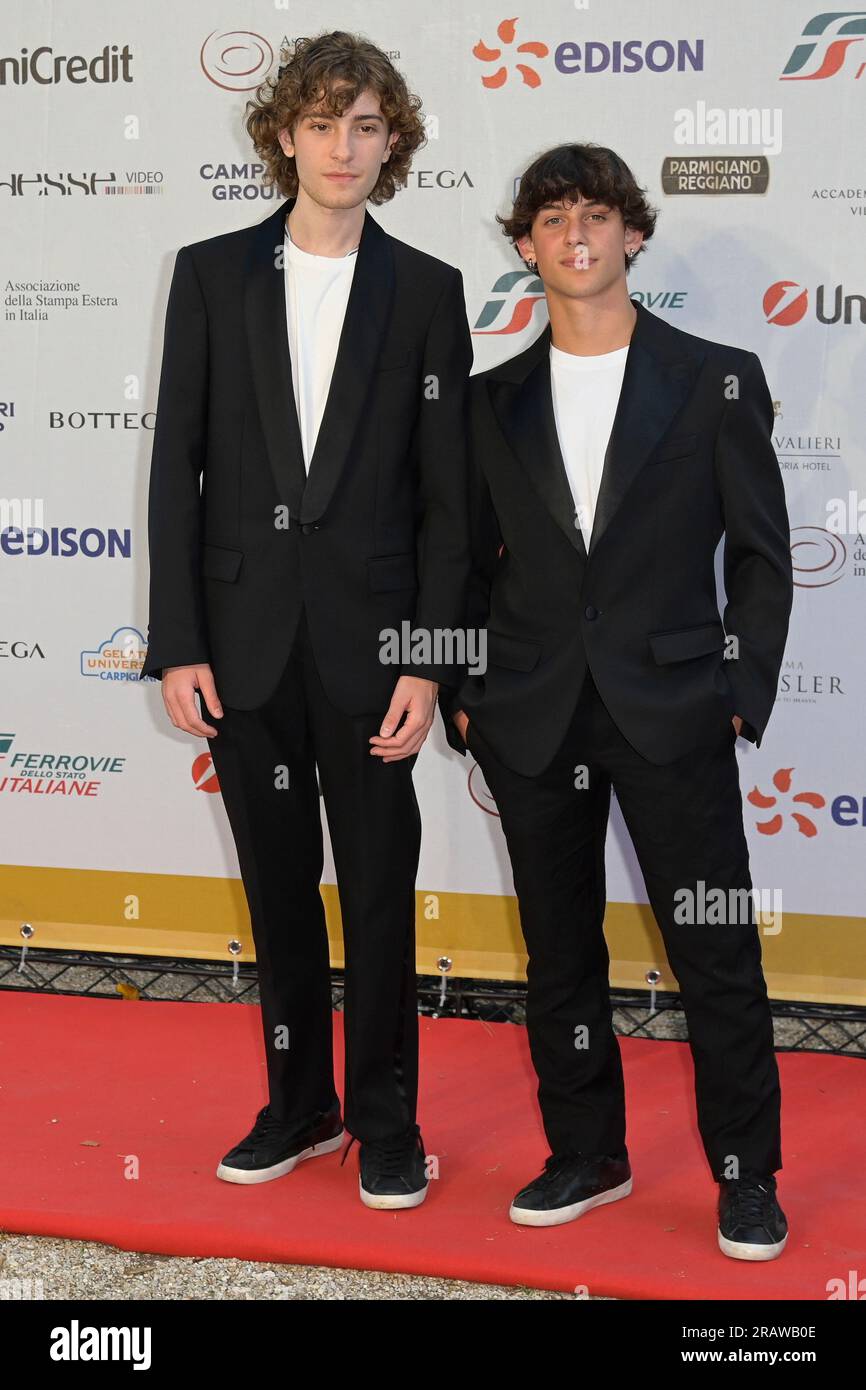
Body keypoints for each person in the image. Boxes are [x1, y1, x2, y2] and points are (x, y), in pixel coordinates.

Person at [140, 31, 472, 1210]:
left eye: (368, 124)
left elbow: (449, 500)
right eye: (324, 121)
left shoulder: (427, 290)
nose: (345, 145)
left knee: (379, 890)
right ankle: (298, 1104)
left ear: (394, 144)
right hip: (240, 645)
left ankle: (385, 1117)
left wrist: (430, 663)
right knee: (277, 891)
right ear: (283, 133)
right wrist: (176, 642)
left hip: (375, 654)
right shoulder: (212, 273)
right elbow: (175, 462)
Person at [442, 143, 793, 1259]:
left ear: (632, 234)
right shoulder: (489, 399)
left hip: (674, 707)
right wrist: (462, 690)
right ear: (524, 247)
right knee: (559, 955)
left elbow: (761, 552)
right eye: (550, 219)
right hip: (532, 712)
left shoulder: (713, 374)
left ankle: (746, 1176)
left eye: (595, 214)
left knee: (714, 952)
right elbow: (458, 557)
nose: (575, 234)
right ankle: (585, 1152)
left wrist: (740, 687)